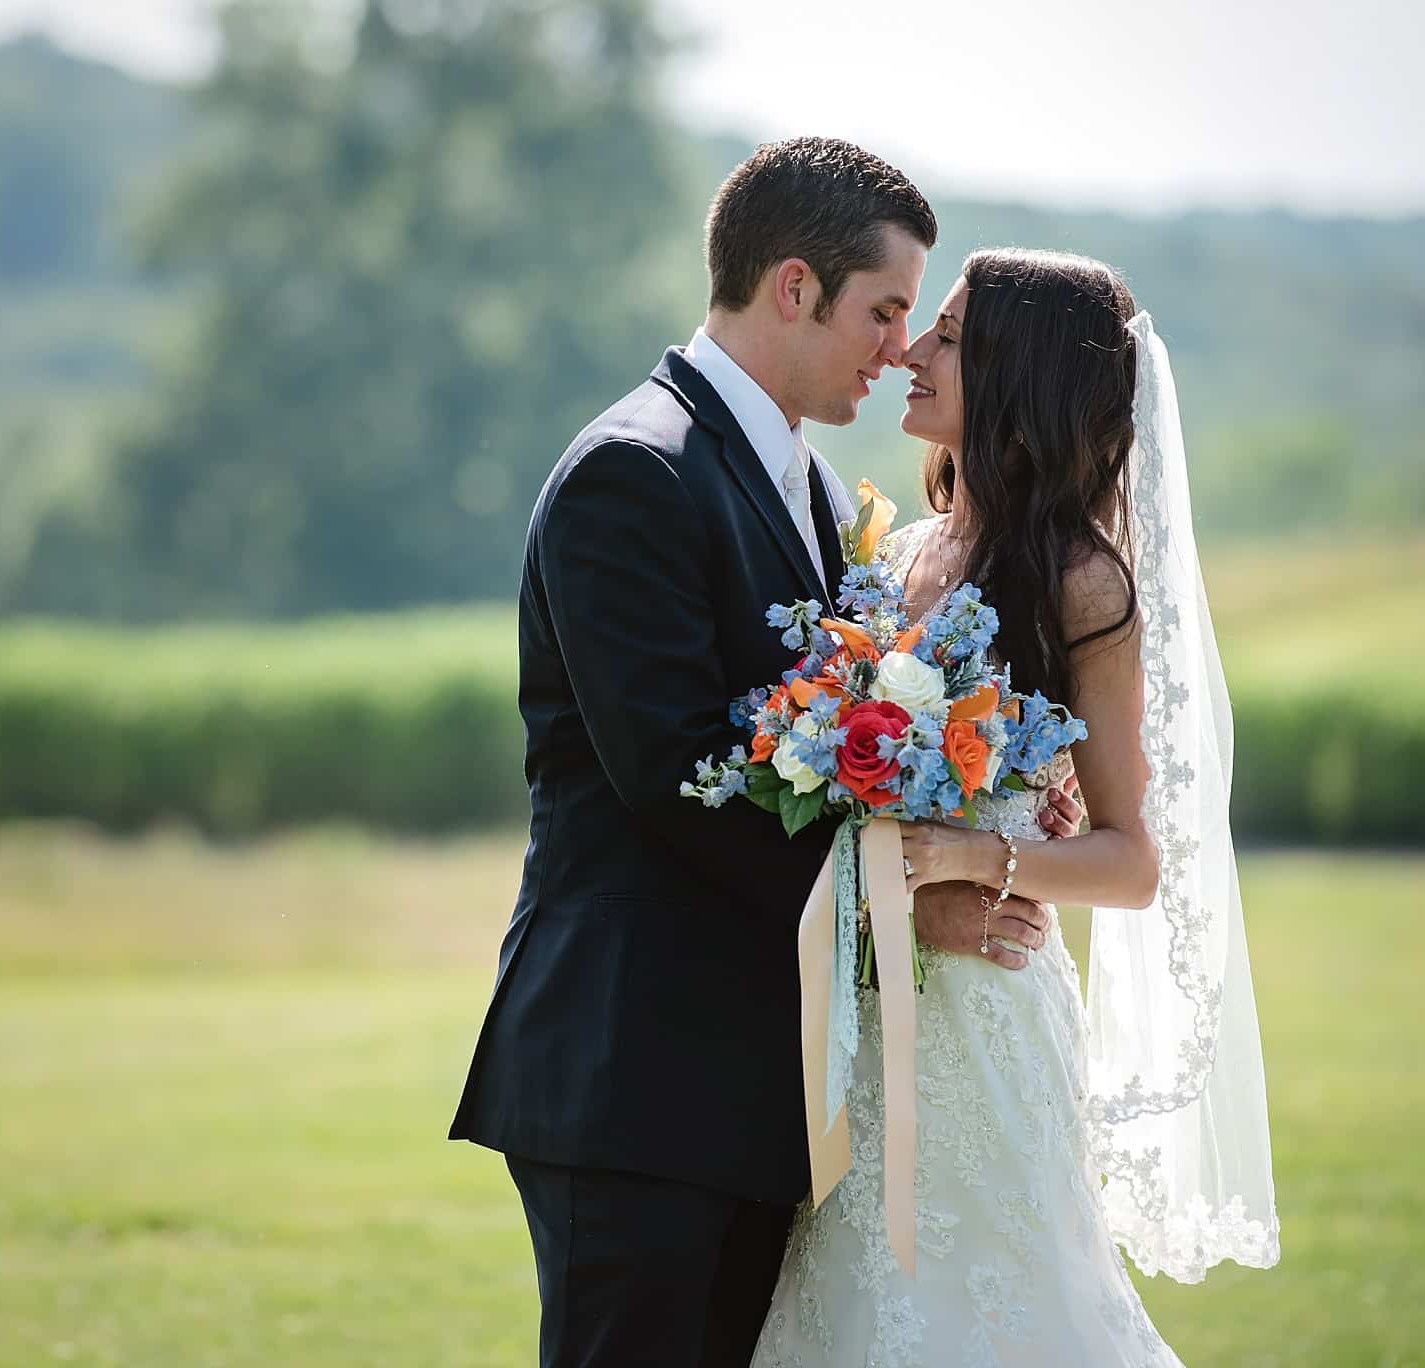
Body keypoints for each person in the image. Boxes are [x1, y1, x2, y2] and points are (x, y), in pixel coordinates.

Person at [447, 139, 1081, 1368]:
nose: (898, 346)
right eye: (883, 309)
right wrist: (904, 907)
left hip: (753, 1084)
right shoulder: (632, 474)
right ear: (792, 287)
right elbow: (671, 778)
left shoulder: (805, 483)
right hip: (634, 1077)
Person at [748, 249, 1279, 1366]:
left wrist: (964, 857)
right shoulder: (893, 558)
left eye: (946, 335)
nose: (909, 350)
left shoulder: (1081, 582)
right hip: (865, 1012)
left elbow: (1132, 861)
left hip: (986, 1004)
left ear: (1019, 375)